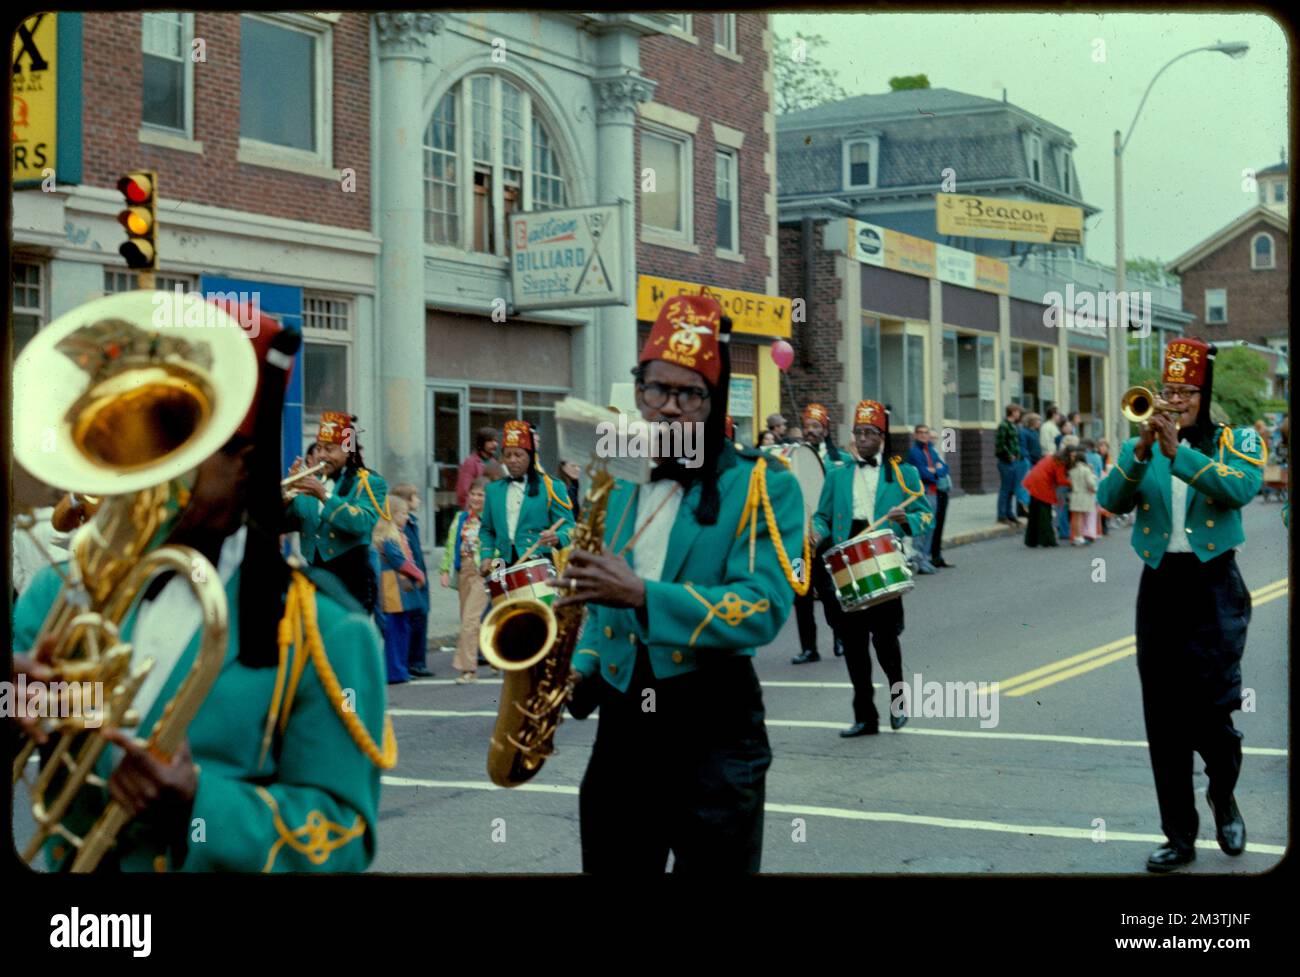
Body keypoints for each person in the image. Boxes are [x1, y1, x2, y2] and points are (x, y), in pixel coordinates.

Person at [10, 296, 392, 872]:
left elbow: (341, 839)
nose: (145, 475)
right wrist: (15, 701)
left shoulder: (328, 631)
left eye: (180, 448)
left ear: (246, 464)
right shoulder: (58, 595)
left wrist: (200, 805)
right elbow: (49, 720)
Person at [556, 294, 803, 873]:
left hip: (713, 732)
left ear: (713, 402)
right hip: (623, 731)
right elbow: (601, 605)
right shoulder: (616, 478)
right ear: (637, 390)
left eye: (687, 394)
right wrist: (581, 667)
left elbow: (762, 608)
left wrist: (643, 596)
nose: (667, 409)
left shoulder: (762, 483)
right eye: (654, 389)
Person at [1096, 337, 1261, 873]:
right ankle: (1179, 837)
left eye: (1186, 392)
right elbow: (1109, 500)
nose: (1174, 401)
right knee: (1164, 716)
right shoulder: (1138, 444)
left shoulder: (1234, 440)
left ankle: (1223, 797)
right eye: (1168, 391)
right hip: (1161, 583)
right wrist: (1142, 453)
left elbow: (1239, 489)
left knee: (1214, 712)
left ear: (1203, 394)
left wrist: (1178, 454)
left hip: (1214, 583)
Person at [811, 400, 932, 737]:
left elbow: (926, 516)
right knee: (852, 642)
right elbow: (822, 514)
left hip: (881, 555)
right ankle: (865, 716)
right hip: (845, 555)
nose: (862, 439)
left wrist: (905, 518)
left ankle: (898, 703)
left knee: (885, 641)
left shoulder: (902, 473)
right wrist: (816, 531)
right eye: (858, 433)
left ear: (882, 436)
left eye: (869, 433)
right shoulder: (837, 474)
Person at [283, 411, 390, 613]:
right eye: (320, 449)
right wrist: (287, 495)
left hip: (352, 584)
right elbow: (282, 524)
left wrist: (324, 495)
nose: (322, 455)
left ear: (348, 449)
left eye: (330, 449)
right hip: (314, 583)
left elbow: (362, 523)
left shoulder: (369, 482)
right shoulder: (309, 484)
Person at [791, 403, 854, 664]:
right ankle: (809, 648)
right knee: (801, 594)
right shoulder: (793, 457)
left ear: (825, 428)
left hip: (825, 536)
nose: (810, 431)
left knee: (828, 591)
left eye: (816, 426)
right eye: (807, 426)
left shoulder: (840, 460)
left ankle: (840, 637)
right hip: (799, 538)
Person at [478, 420, 575, 574]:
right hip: (502, 564)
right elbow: (487, 530)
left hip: (539, 564)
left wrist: (557, 537)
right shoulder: (493, 490)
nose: (512, 460)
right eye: (507, 455)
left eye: (518, 454)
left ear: (530, 456)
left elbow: (570, 528)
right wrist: (486, 556)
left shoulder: (552, 487)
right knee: (494, 598)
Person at [440, 476, 488, 683]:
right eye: (473, 494)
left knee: (470, 620)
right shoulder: (461, 518)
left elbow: (498, 545)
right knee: (467, 619)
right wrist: (444, 569)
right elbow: (451, 543)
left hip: (482, 573)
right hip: (463, 570)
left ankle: (468, 670)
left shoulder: (490, 520)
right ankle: (495, 657)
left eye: (481, 495)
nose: (476, 498)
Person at [374, 496, 426, 685]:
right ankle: (394, 671)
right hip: (392, 589)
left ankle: (400, 668)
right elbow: (399, 561)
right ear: (391, 514)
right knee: (395, 631)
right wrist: (419, 574)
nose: (406, 517)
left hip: (398, 589)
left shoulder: (397, 534)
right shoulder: (388, 537)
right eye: (403, 513)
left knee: (401, 629)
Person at [390, 483, 432, 678]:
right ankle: (412, 662)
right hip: (410, 578)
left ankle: (418, 661)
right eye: (415, 497)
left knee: (421, 616)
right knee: (414, 618)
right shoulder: (400, 527)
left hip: (417, 573)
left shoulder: (411, 521)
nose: (419, 500)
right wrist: (416, 574)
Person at [906, 423, 953, 569]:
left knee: (930, 527)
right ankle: (918, 559)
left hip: (933, 493)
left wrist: (935, 471)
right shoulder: (915, 452)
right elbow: (922, 473)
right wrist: (935, 472)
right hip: (922, 494)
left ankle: (925, 558)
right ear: (915, 435)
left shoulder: (931, 450)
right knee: (922, 526)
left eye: (926, 432)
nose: (923, 435)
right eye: (920, 432)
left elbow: (945, 468)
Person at [1022, 447, 1073, 547]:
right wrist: (1073, 483)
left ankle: (1031, 540)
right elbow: (1061, 480)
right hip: (1042, 485)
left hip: (1033, 480)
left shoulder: (1051, 457)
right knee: (1044, 514)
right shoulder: (1060, 463)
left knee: (1034, 514)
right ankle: (1047, 540)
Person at [456, 427, 499, 511]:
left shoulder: (495, 462)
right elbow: (463, 492)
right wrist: (471, 512)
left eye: (496, 441)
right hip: (475, 514)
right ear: (481, 443)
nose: (495, 444)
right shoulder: (471, 463)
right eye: (490, 441)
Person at [995, 404, 1023, 526]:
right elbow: (1000, 444)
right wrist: (1009, 455)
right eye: (1017, 411)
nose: (1019, 414)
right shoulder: (1004, 425)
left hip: (1014, 461)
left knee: (1011, 489)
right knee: (1005, 489)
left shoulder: (1014, 425)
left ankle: (1009, 514)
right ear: (1012, 412)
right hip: (1006, 461)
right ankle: (1002, 515)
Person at [1068, 451, 1099, 545]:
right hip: (1083, 495)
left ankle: (1075, 537)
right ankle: (1079, 537)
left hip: (1074, 494)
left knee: (1075, 517)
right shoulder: (1086, 469)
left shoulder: (1072, 470)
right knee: (1080, 518)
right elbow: (1090, 483)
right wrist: (1094, 484)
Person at [1016, 412, 1042, 517]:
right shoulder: (1024, 432)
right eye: (1038, 420)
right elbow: (1023, 447)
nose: (1039, 423)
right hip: (1029, 462)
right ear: (1032, 422)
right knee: (1025, 486)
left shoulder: (1035, 433)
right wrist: (1028, 460)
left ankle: (1028, 506)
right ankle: (1022, 508)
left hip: (1036, 462)